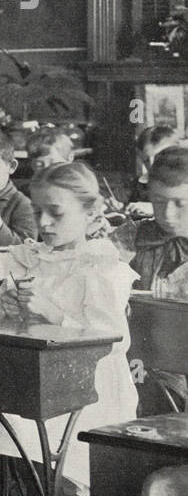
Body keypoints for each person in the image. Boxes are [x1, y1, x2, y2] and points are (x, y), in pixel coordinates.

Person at [0, 162, 138, 496]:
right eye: (38, 212)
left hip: (84, 388)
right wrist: (6, 314)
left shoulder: (99, 265)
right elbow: (1, 325)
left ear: (90, 213)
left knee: (17, 426)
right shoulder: (28, 258)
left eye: (56, 213)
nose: (44, 223)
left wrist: (52, 315)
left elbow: (113, 342)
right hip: (30, 377)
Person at [112, 146, 188, 409]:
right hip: (139, 360)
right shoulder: (131, 237)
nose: (167, 214)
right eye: (158, 201)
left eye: (180, 203)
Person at [127, 125, 179, 215]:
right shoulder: (141, 184)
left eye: (159, 158)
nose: (152, 166)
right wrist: (123, 207)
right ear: (140, 155)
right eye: (146, 160)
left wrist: (154, 208)